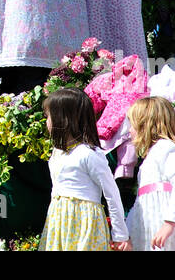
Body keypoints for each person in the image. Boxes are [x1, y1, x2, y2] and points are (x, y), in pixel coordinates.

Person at [40, 88, 130, 251]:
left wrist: (120, 235)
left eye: (48, 117)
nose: (46, 122)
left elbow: (111, 193)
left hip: (83, 221)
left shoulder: (89, 154)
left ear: (63, 119)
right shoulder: (57, 152)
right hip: (59, 220)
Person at [124, 96, 175, 251]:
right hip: (150, 227)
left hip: (166, 227)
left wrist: (170, 222)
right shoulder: (149, 157)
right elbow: (140, 202)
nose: (129, 130)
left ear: (145, 125)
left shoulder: (166, 148)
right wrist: (129, 230)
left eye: (132, 125)